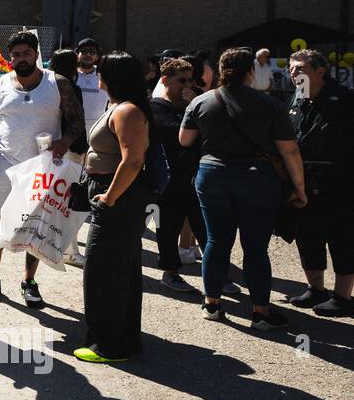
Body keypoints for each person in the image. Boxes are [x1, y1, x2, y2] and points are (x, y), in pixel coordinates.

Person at [180, 47, 306, 330]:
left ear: (221, 69)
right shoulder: (269, 104)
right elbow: (290, 150)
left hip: (212, 174)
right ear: (250, 71)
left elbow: (185, 140)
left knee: (215, 241)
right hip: (257, 178)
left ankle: (212, 303)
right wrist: (299, 187)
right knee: (255, 247)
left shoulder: (202, 101)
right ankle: (261, 312)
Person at [0, 31, 86, 308]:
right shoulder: (0, 84)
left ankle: (28, 281)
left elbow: (77, 120)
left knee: (36, 224)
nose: (21, 59)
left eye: (26, 54)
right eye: (16, 55)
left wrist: (64, 142)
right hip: (4, 163)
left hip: (42, 165)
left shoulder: (57, 83)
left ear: (36, 55)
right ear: (11, 58)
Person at [75, 52, 153, 363]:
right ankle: (123, 339)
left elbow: (133, 159)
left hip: (118, 196)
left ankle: (109, 345)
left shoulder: (128, 111)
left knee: (103, 272)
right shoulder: (121, 107)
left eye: (101, 70)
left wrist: (110, 197)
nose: (96, 74)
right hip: (114, 193)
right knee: (121, 269)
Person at [286, 50, 354, 316]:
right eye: (291, 68)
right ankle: (316, 289)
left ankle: (343, 297)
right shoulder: (297, 99)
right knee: (308, 236)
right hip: (303, 181)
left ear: (320, 71)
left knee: (342, 238)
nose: (293, 73)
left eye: (300, 68)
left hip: (339, 183)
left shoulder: (345, 100)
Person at [150, 57, 207, 293]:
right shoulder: (156, 107)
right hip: (168, 180)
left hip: (195, 177)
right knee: (168, 229)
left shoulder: (192, 104)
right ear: (165, 80)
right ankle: (170, 273)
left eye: (190, 80)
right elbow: (180, 135)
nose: (188, 85)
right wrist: (193, 109)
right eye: (181, 80)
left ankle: (217, 273)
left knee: (204, 228)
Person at [49, 48, 89, 267]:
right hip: (71, 151)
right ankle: (69, 251)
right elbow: (77, 123)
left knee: (60, 203)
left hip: (53, 149)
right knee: (71, 204)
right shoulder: (72, 88)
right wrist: (82, 148)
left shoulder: (46, 88)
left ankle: (66, 248)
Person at [74, 37, 109, 132]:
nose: (88, 55)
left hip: (98, 129)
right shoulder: (70, 76)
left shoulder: (105, 76)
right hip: (74, 129)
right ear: (77, 54)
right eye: (84, 51)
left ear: (97, 56)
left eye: (92, 52)